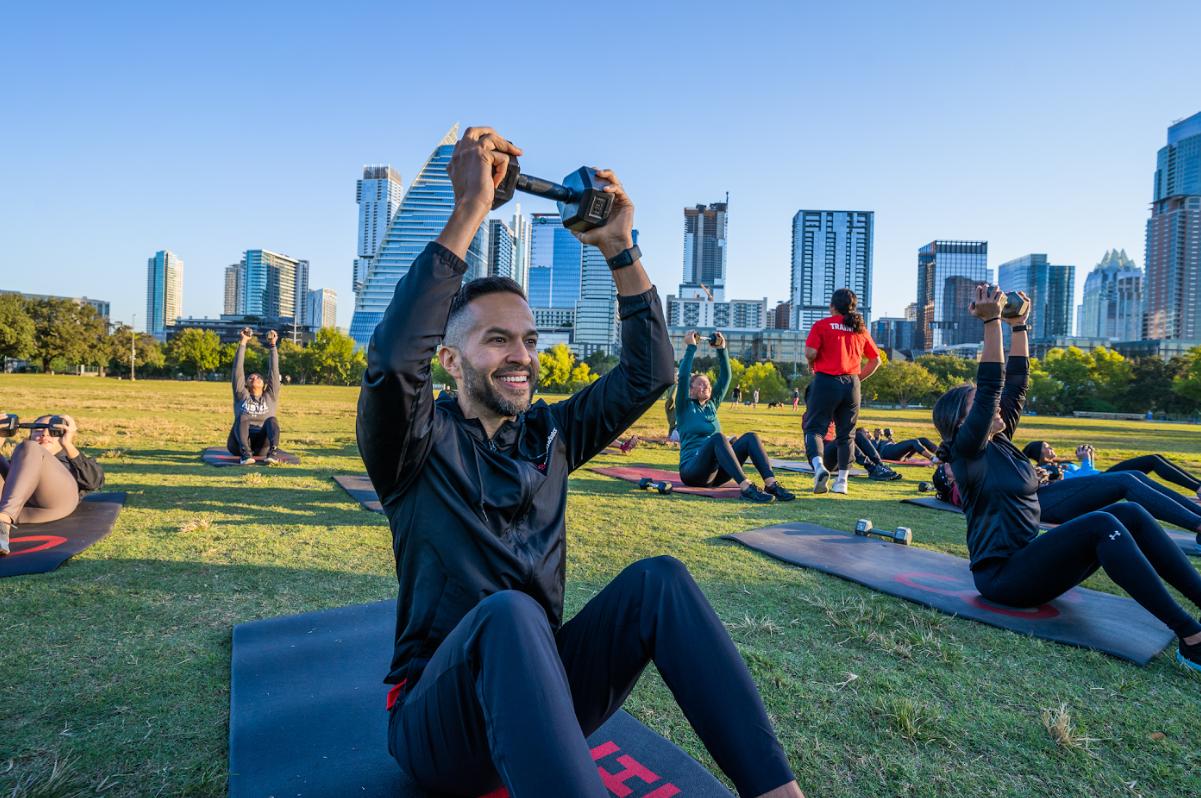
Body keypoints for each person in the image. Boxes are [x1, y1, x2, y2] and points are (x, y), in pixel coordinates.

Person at [357, 127, 804, 798]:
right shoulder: (414, 443)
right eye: (497, 340)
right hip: (439, 723)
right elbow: (393, 363)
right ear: (449, 361)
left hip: (541, 693)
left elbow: (648, 374)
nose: (521, 356)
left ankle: (776, 793)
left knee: (659, 581)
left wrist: (620, 247)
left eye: (530, 341)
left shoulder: (551, 432)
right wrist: (469, 209)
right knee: (510, 613)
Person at [932, 284, 1201, 674]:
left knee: (1129, 512)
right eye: (981, 405)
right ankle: (1192, 637)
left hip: (1030, 561)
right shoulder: (967, 452)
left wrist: (1019, 326)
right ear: (961, 421)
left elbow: (1016, 383)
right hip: (1002, 578)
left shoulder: (1001, 441)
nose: (995, 406)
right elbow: (991, 385)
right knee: (1102, 524)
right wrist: (991, 322)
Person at [676, 331, 794, 503]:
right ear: (691, 389)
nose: (706, 386)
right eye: (701, 384)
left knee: (750, 438)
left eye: (708, 384)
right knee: (718, 438)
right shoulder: (684, 406)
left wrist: (722, 349)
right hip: (693, 472)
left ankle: (771, 484)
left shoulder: (711, 404)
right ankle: (746, 487)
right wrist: (691, 347)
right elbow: (684, 375)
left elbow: (725, 377)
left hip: (716, 474)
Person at [803, 288, 881, 494]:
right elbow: (876, 360)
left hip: (826, 381)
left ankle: (819, 468)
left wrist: (811, 361)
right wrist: (857, 379)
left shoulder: (822, 325)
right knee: (847, 435)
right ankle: (842, 482)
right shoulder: (860, 329)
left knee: (814, 429)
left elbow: (811, 351)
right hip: (851, 385)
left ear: (832, 306)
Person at [0, 415, 104, 555]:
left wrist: (68, 444)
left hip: (53, 505)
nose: (44, 434)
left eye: (53, 431)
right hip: (21, 510)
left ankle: (3, 522)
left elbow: (94, 482)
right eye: (38, 430)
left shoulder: (70, 459)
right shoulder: (20, 459)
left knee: (31, 448)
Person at [1023, 440, 1201, 499]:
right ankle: (1198, 488)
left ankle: (1198, 486)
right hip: (1096, 484)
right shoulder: (1046, 469)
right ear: (1038, 451)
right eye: (1046, 446)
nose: (1050, 447)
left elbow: (1089, 472)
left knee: (1156, 459)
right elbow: (1079, 480)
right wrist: (1085, 460)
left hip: (1101, 477)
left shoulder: (1060, 462)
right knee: (1152, 461)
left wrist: (1088, 458)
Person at [226, 328, 282, 465]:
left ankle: (273, 454)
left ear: (264, 384)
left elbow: (274, 371)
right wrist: (243, 341)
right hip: (238, 445)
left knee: (272, 420)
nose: (254, 378)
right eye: (251, 377)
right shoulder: (241, 394)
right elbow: (237, 370)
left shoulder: (270, 396)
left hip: (261, 445)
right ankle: (246, 455)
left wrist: (273, 345)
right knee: (243, 416)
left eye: (258, 377)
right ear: (246, 383)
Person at [873, 427, 938, 462]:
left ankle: (942, 454)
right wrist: (878, 437)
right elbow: (874, 452)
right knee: (914, 442)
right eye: (867, 432)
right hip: (889, 453)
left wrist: (890, 440)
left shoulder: (883, 440)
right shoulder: (871, 441)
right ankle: (933, 458)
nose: (869, 433)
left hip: (894, 449)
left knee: (923, 440)